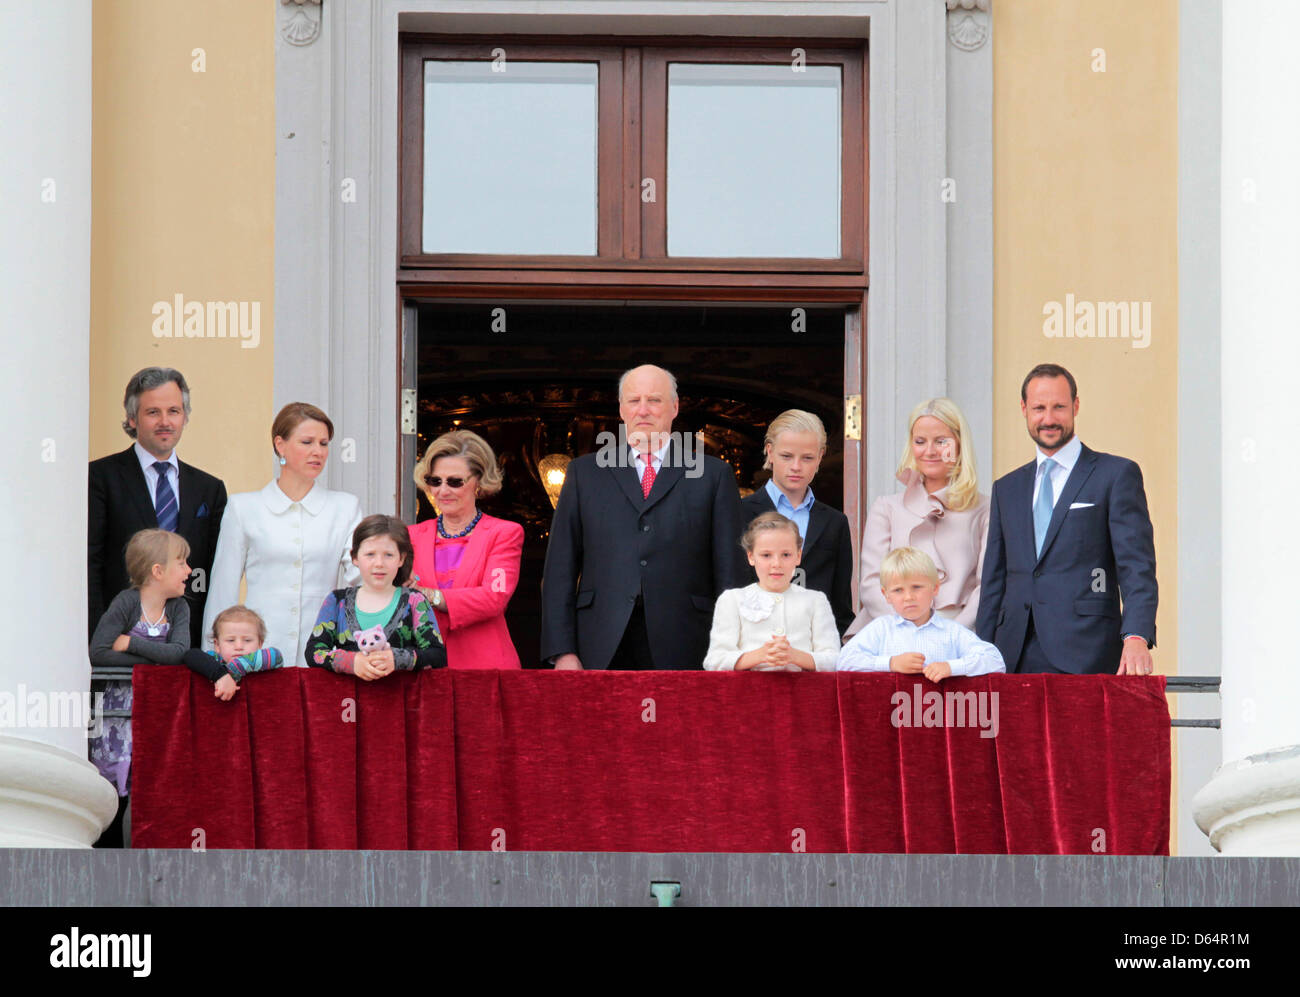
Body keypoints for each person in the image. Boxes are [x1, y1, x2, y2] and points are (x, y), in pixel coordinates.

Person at [541, 364, 749, 670]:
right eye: (634, 401)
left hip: (689, 642)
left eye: (654, 400)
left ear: (674, 407)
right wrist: (562, 651)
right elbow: (560, 567)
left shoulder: (713, 475)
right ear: (621, 409)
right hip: (598, 642)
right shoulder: (584, 473)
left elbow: (730, 571)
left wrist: (731, 650)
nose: (643, 410)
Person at [976, 364, 1157, 675]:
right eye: (1039, 408)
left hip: (1088, 652)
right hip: (1012, 655)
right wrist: (980, 652)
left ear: (1075, 406)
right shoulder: (1006, 488)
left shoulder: (1115, 475)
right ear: (1024, 409)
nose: (1048, 419)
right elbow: (994, 580)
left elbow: (1136, 567)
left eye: (1058, 407)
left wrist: (1136, 635)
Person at [202, 403, 362, 667]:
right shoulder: (243, 508)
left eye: (324, 443)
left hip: (322, 652)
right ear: (280, 445)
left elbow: (362, 578)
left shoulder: (345, 507)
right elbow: (223, 589)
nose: (317, 452)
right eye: (307, 442)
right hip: (256, 655)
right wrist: (214, 662)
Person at [88, 367, 226, 646]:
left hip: (187, 641)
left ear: (185, 416)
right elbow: (91, 563)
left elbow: (214, 571)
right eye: (153, 412)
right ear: (132, 418)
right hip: (120, 642)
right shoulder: (99, 477)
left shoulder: (209, 489)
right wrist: (100, 634)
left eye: (173, 411)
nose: (165, 421)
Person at [846, 397, 988, 638]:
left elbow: (986, 586)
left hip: (959, 633)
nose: (930, 451)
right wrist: (906, 632)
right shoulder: (886, 507)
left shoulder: (985, 508)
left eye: (941, 441)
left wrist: (952, 635)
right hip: (892, 632)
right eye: (920, 441)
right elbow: (871, 583)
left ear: (959, 444)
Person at [88, 528, 193, 846]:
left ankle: (135, 866)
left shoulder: (179, 608)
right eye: (182, 562)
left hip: (156, 713)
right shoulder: (126, 602)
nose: (189, 570)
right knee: (108, 791)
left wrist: (131, 643)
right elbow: (99, 651)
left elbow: (178, 654)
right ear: (157, 571)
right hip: (116, 717)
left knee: (144, 790)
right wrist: (154, 664)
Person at [408, 430, 524, 669]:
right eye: (435, 481)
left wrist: (429, 595)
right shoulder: (410, 536)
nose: (442, 491)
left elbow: (494, 597)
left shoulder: (504, 533)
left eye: (455, 481)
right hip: (425, 667)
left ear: (478, 482)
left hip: (485, 667)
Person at [741, 410, 854, 636]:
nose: (796, 466)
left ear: (821, 456)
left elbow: (841, 604)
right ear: (770, 452)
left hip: (815, 650)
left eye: (807, 458)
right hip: (754, 645)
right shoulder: (738, 513)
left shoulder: (835, 522)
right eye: (786, 456)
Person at [307, 515, 447, 677]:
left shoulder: (414, 601)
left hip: (403, 699)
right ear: (354, 557)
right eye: (370, 554)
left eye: (388, 555)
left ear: (401, 559)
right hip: (347, 700)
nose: (379, 563)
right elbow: (313, 652)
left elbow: (437, 656)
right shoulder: (337, 601)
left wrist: (397, 659)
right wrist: (352, 662)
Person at [838, 547, 1004, 679]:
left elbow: (995, 661)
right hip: (888, 716)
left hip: (937, 715)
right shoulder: (881, 629)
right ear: (886, 595)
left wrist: (951, 667)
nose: (908, 597)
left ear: (935, 588)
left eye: (917, 587)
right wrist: (891, 663)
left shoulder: (952, 631)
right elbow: (844, 661)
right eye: (898, 590)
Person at [704, 512, 839, 671]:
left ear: (798, 556)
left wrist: (794, 656)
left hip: (803, 693)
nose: (776, 563)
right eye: (766, 555)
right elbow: (714, 660)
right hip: (748, 693)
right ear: (751, 557)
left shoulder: (816, 601)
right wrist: (759, 656)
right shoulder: (732, 600)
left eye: (786, 555)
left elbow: (835, 659)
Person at [181, 606, 285, 701]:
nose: (239, 646)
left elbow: (276, 656)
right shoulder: (215, 659)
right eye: (231, 640)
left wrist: (232, 671)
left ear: (260, 644)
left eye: (247, 640)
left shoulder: (264, 659)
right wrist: (221, 675)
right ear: (217, 645)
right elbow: (190, 655)